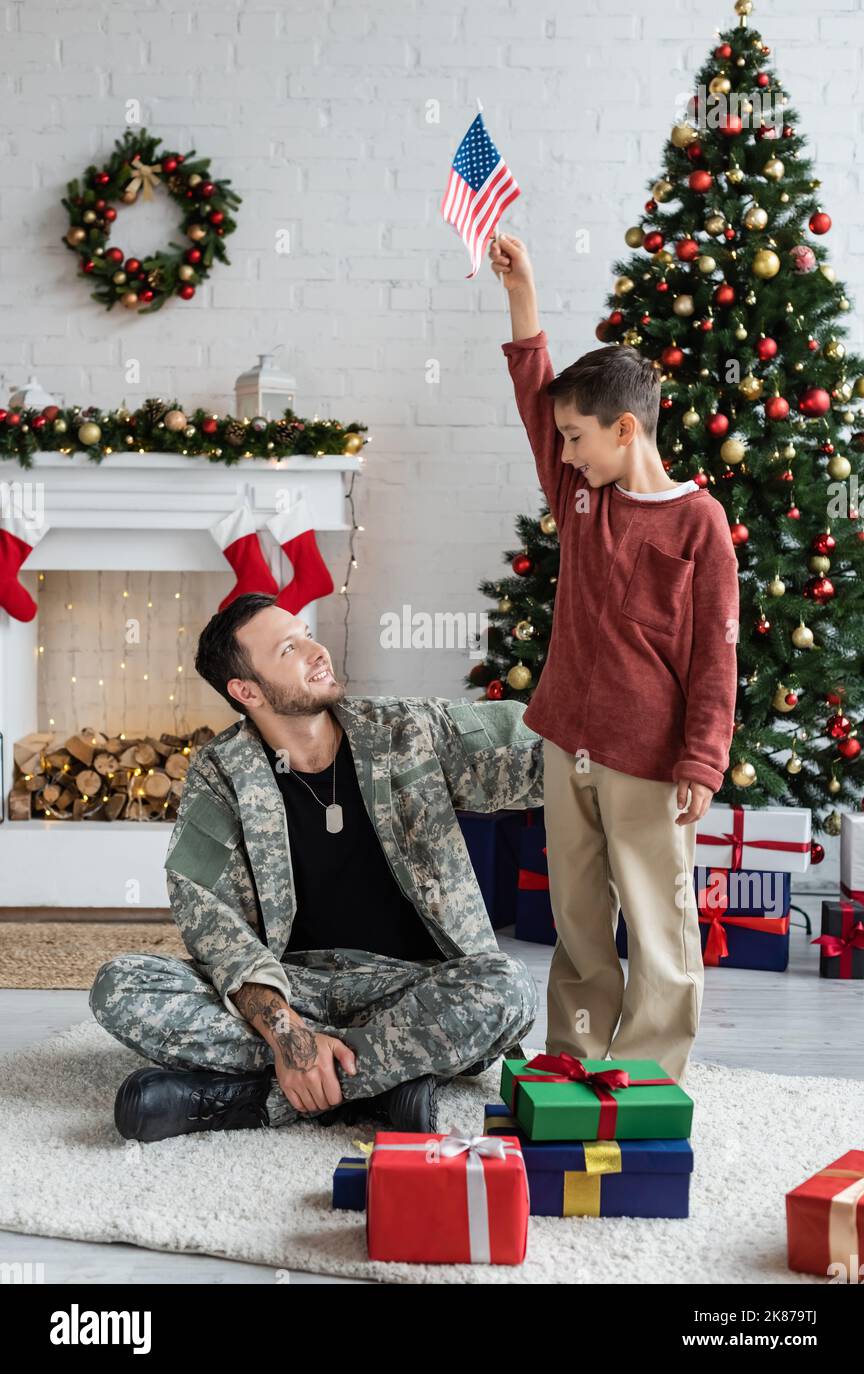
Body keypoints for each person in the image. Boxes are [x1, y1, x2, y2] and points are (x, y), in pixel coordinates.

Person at [89, 594, 542, 1142]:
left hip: (408, 985)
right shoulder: (220, 775)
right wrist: (287, 1035)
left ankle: (257, 1101)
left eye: (306, 633)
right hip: (291, 986)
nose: (316, 650)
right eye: (289, 648)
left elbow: (534, 747)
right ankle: (384, 1080)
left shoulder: (407, 729)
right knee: (121, 985)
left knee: (507, 987)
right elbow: (210, 919)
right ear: (246, 690)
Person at [487, 231, 739, 1081]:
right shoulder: (580, 498)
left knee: (658, 920)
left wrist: (703, 760)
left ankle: (646, 1072)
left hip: (651, 760)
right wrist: (523, 293)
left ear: (624, 429)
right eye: (559, 443)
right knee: (577, 917)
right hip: (570, 744)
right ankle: (578, 1056)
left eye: (576, 440)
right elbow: (533, 394)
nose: (561, 455)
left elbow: (715, 658)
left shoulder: (697, 524)